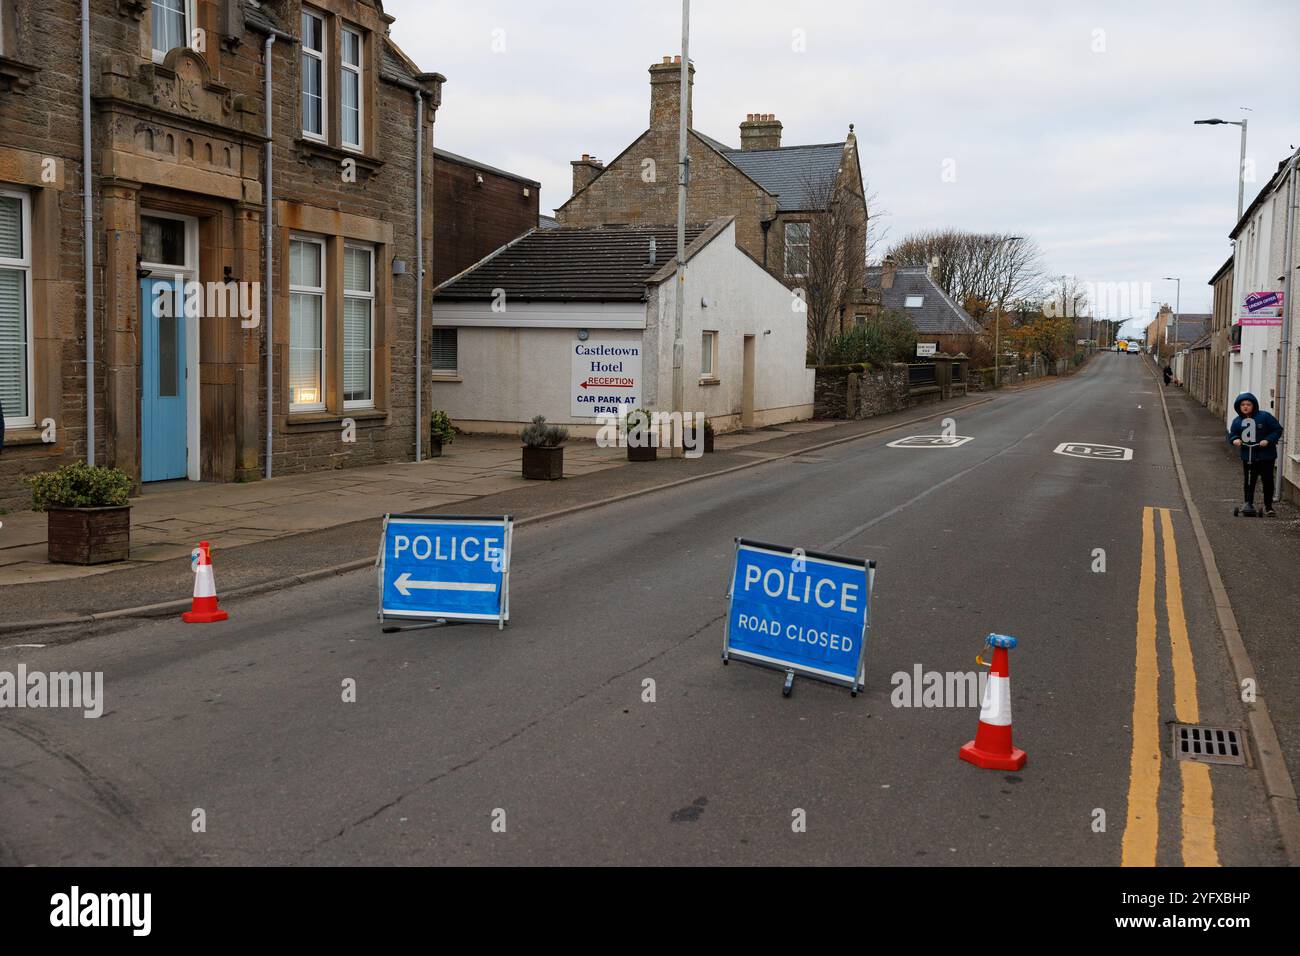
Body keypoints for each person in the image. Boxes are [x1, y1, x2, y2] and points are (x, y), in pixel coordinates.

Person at [1228, 392, 1283, 516]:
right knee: (1249, 480)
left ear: (1254, 405)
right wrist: (1235, 439)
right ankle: (1248, 503)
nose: (1245, 407)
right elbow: (1232, 434)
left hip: (1266, 456)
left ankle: (1268, 506)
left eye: (1248, 404)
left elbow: (1277, 430)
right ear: (1239, 406)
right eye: (1243, 405)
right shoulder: (1238, 421)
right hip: (1248, 456)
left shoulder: (1264, 417)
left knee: (1267, 480)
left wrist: (1268, 440)